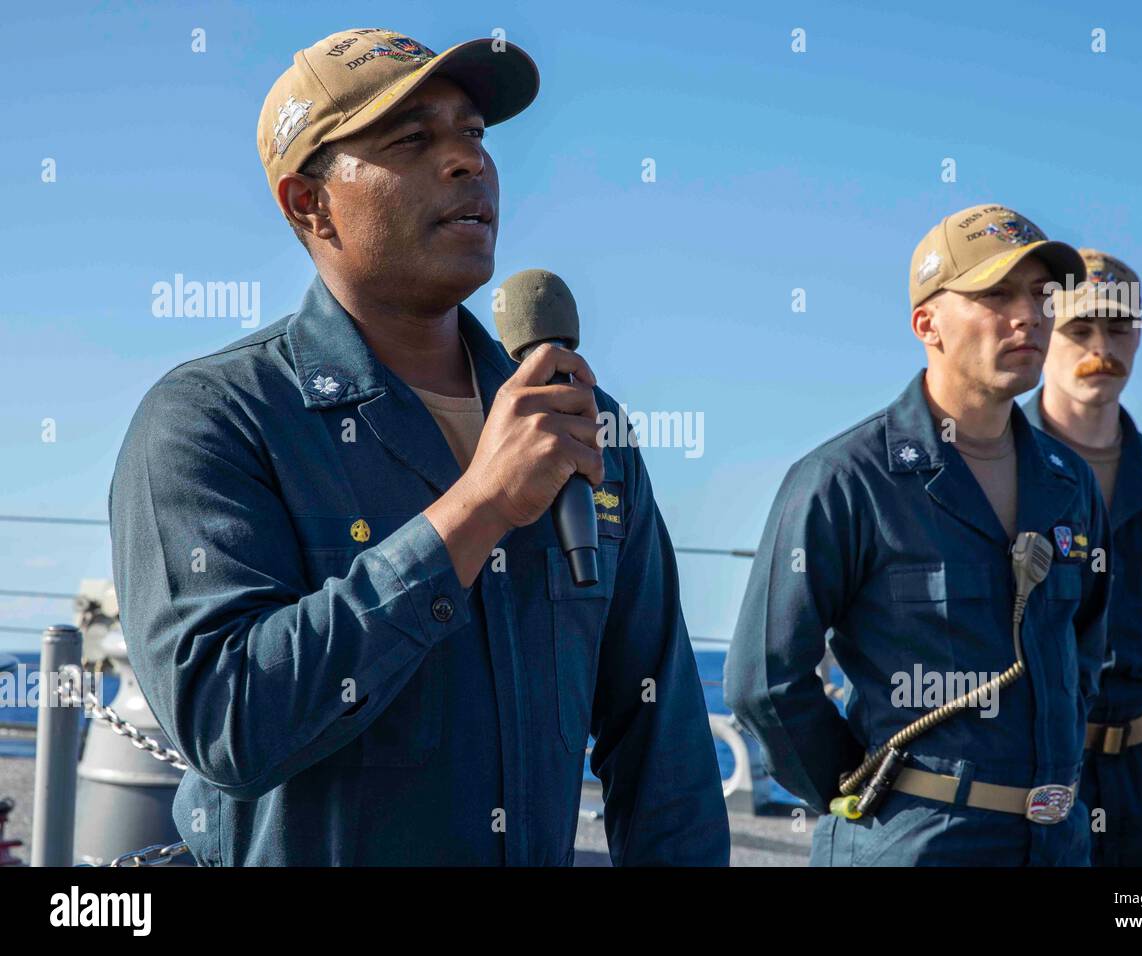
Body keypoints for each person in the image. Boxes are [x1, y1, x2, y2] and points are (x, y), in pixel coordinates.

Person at [108, 28, 728, 866]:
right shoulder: (215, 420)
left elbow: (663, 751)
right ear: (307, 203)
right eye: (412, 139)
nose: (468, 161)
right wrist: (478, 508)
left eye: (473, 133)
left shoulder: (582, 423)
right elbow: (232, 722)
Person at [725, 204, 1110, 865]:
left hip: (1054, 844)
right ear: (927, 323)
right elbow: (764, 680)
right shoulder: (845, 479)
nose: (1031, 316)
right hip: (912, 846)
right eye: (996, 294)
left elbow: (1084, 655)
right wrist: (860, 792)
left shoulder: (1068, 483)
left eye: (1043, 296)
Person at [1025, 248, 1142, 865]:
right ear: (1045, 336)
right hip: (1035, 773)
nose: (1103, 345)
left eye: (1120, 327)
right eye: (1080, 328)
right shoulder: (998, 467)